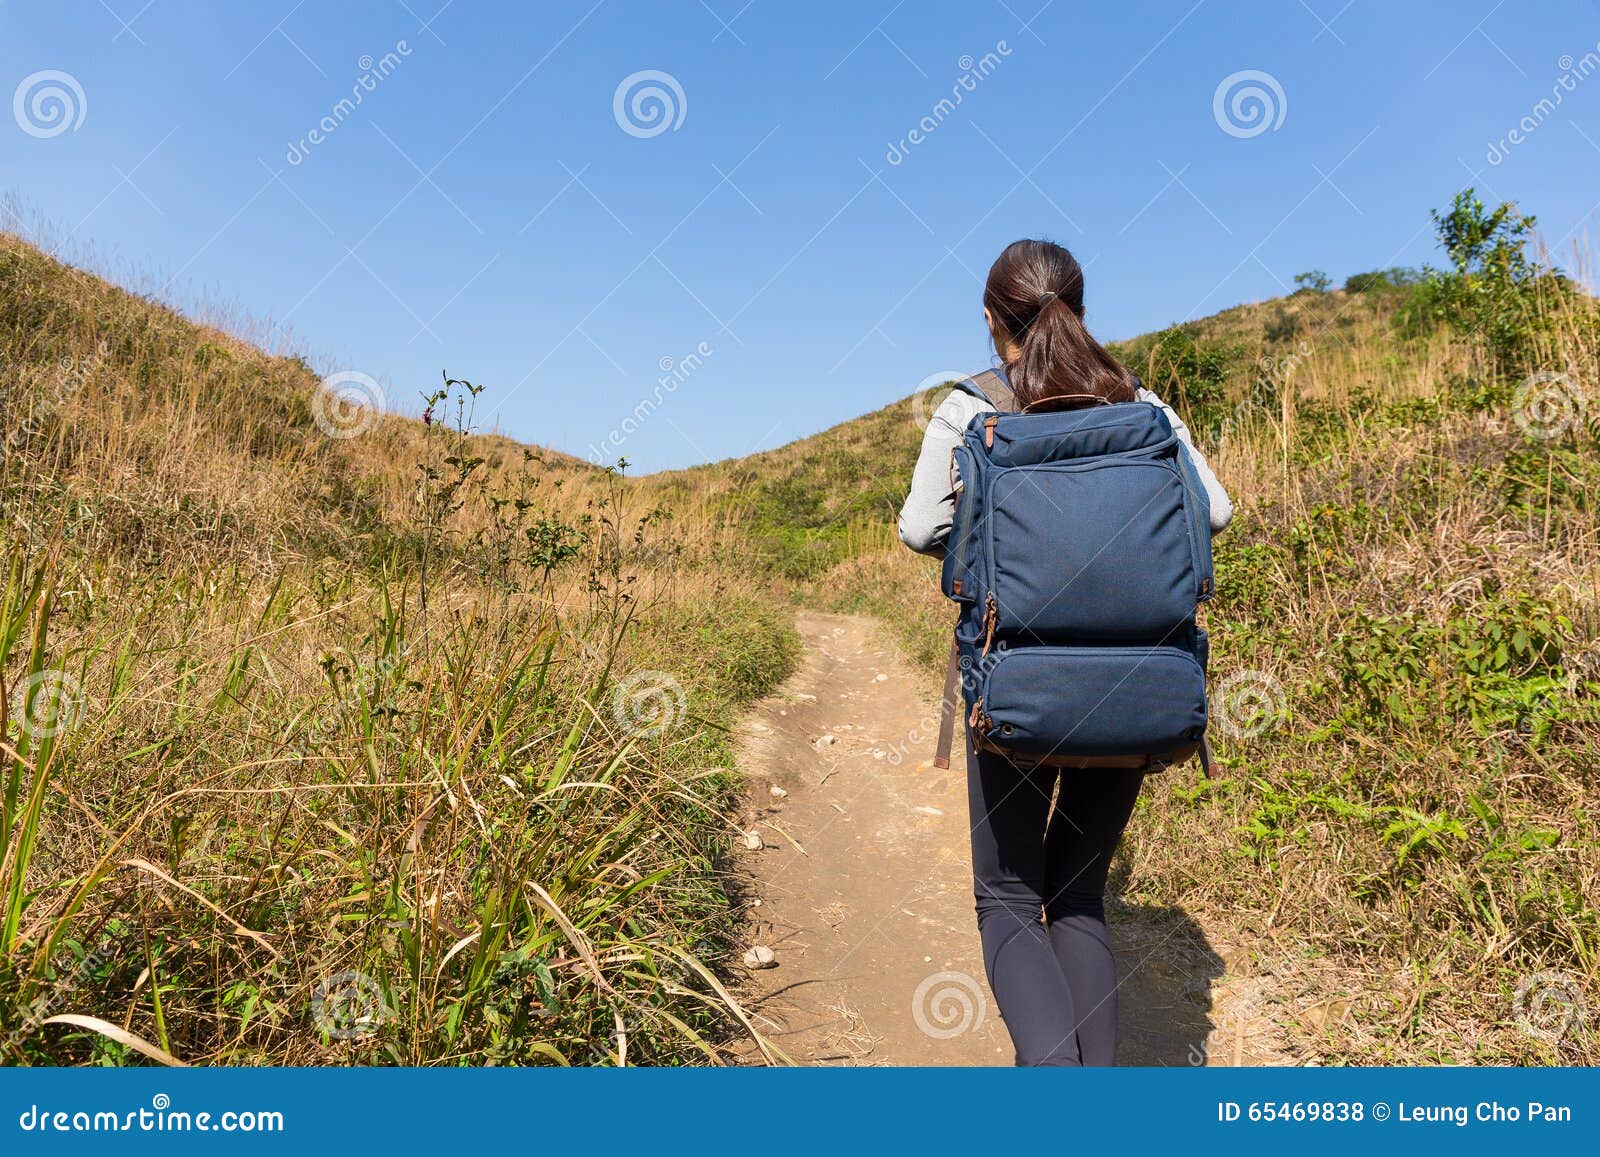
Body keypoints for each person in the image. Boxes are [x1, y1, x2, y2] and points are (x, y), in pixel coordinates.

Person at [896, 238, 1233, 1066]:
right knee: (1079, 897)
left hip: (1016, 682)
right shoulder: (1143, 405)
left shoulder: (971, 407)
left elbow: (919, 528)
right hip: (1138, 683)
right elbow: (1216, 511)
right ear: (1080, 309)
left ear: (990, 318)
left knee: (1009, 902)